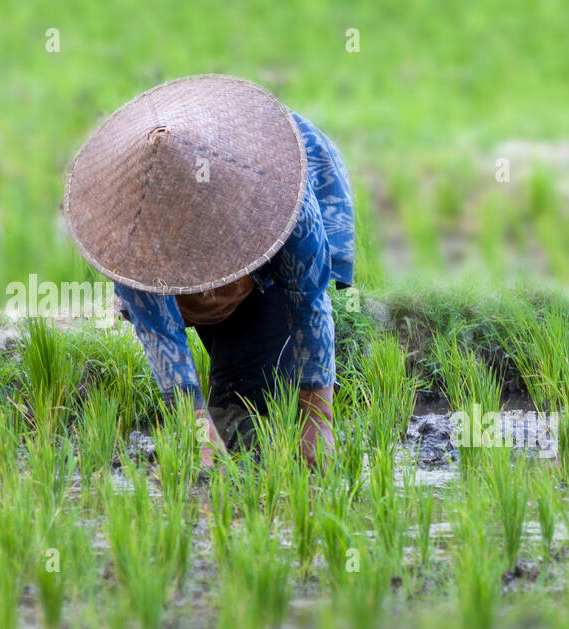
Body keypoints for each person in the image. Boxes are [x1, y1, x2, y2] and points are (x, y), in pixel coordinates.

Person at [63, 74, 354, 467]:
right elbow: (161, 334)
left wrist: (318, 422)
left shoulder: (281, 192)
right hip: (170, 246)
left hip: (276, 245)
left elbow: (307, 302)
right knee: (216, 431)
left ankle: (250, 345)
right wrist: (195, 427)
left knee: (244, 420)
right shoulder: (131, 235)